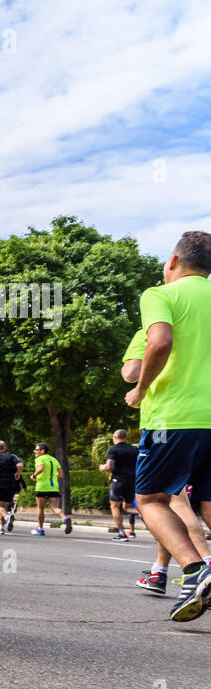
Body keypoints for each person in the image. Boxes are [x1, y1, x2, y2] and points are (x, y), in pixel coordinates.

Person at [125, 231, 211, 620]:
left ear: (174, 260)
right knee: (206, 502)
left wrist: (142, 390)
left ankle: (196, 570)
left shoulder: (161, 294)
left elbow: (158, 342)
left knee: (151, 499)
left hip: (173, 418)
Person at [100, 429, 138, 540]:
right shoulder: (134, 449)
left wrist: (102, 467)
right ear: (125, 437)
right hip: (132, 480)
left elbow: (110, 466)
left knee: (114, 506)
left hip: (118, 480)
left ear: (114, 436)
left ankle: (122, 533)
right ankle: (142, 513)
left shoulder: (113, 449)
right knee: (128, 507)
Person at [30, 442, 70, 534]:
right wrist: (51, 476)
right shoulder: (54, 459)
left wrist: (34, 475)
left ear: (42, 451)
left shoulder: (39, 459)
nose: (34, 451)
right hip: (53, 487)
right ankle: (65, 518)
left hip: (42, 487)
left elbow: (41, 468)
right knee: (54, 507)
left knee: (40, 509)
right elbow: (61, 474)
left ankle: (40, 529)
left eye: (36, 450)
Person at [0, 440, 23, 533]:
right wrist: (17, 474)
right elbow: (20, 465)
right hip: (9, 483)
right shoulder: (12, 456)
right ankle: (1, 527)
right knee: (4, 505)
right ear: (5, 448)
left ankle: (7, 517)